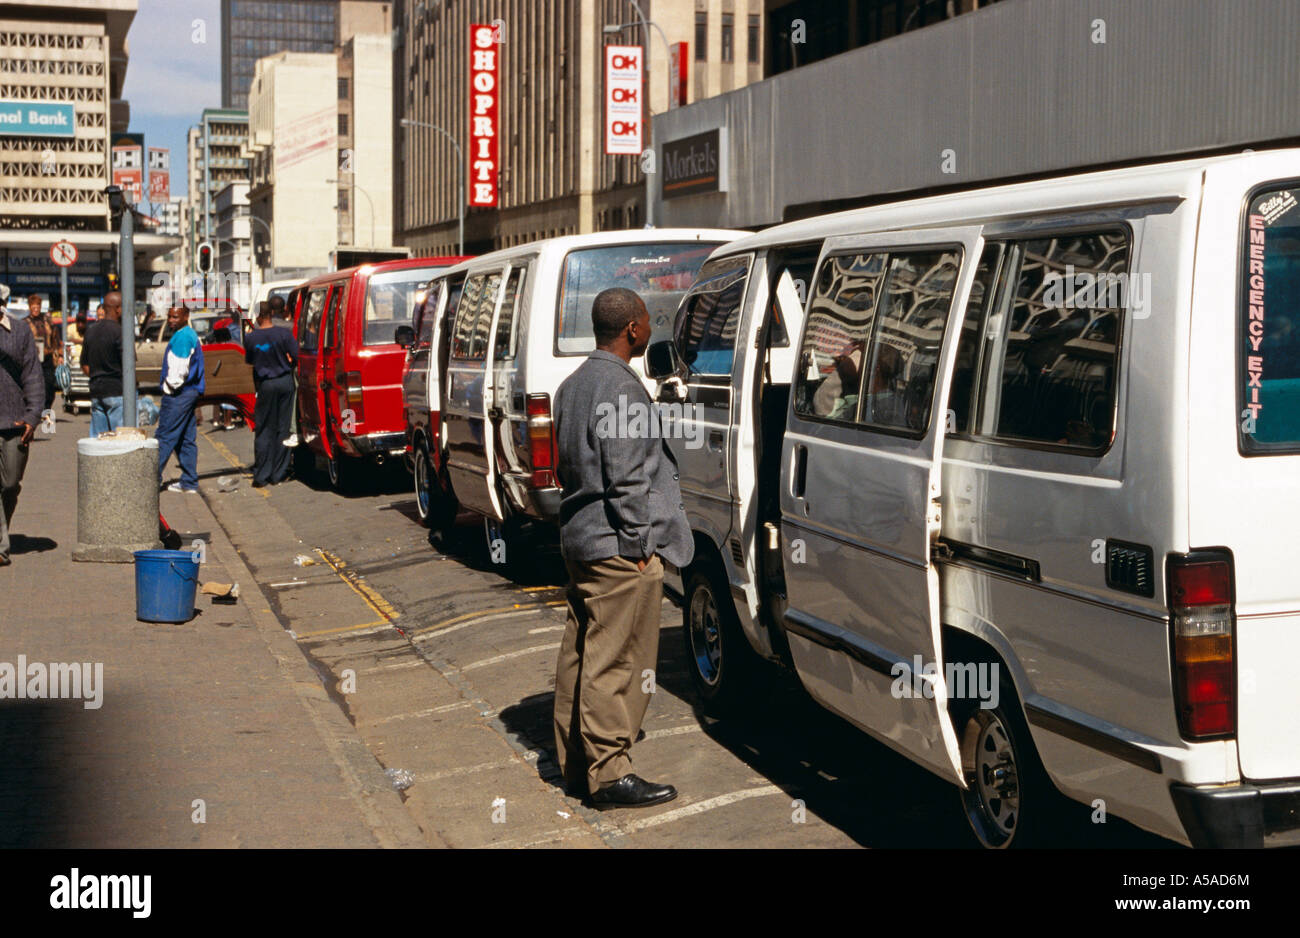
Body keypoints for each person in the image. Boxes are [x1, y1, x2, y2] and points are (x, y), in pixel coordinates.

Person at [550, 287, 692, 809]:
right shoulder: (622, 389)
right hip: (618, 546)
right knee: (617, 660)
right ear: (632, 330)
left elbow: (569, 466)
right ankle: (609, 772)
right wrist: (639, 544)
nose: (650, 328)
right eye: (646, 321)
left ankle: (574, 762)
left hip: (581, 538)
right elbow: (627, 478)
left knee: (581, 652)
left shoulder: (572, 385)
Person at [0, 284, 43, 566]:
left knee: (10, 484)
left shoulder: (19, 332)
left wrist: (32, 416)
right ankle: (1, 545)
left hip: (14, 421)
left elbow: (33, 377)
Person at [243, 303, 299, 487]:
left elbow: (250, 361)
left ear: (258, 316)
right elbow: (296, 356)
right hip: (284, 382)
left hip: (265, 384)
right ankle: (278, 473)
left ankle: (262, 474)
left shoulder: (251, 338)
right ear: (272, 314)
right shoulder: (283, 334)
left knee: (264, 429)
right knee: (282, 428)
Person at [155, 305, 205, 493]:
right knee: (185, 438)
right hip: (189, 392)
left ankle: (151, 478)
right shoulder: (188, 334)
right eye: (169, 317)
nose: (171, 320)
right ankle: (189, 481)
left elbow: (179, 371)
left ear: (186, 316)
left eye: (175, 317)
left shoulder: (183, 337)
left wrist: (168, 387)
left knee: (165, 436)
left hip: (179, 394)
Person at [81, 291, 125, 437]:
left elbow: (84, 364)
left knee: (98, 442)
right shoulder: (120, 332)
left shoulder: (90, 331)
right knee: (121, 440)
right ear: (118, 309)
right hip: (117, 391)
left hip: (96, 391)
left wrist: (96, 376)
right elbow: (129, 366)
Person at [269, 295, 301, 448]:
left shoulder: (258, 327)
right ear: (285, 310)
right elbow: (296, 354)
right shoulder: (291, 327)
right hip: (285, 376)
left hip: (265, 380)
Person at [25, 293, 58, 413]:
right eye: (33, 306)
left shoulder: (47, 321)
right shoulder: (25, 323)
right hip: (33, 359)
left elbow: (55, 337)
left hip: (47, 357)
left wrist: (58, 354)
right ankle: (34, 410)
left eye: (38, 306)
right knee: (33, 386)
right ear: (29, 307)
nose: (36, 309)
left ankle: (46, 408)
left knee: (50, 385)